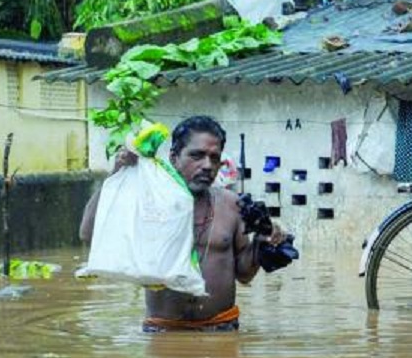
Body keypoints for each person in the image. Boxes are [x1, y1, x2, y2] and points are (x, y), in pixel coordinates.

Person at [80, 115, 286, 332]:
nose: (207, 165)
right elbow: (88, 234)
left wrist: (263, 242)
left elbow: (244, 275)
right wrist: (117, 174)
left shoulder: (231, 205)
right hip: (163, 330)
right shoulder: (149, 201)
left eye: (214, 158)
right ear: (174, 157)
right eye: (197, 156)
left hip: (221, 329)